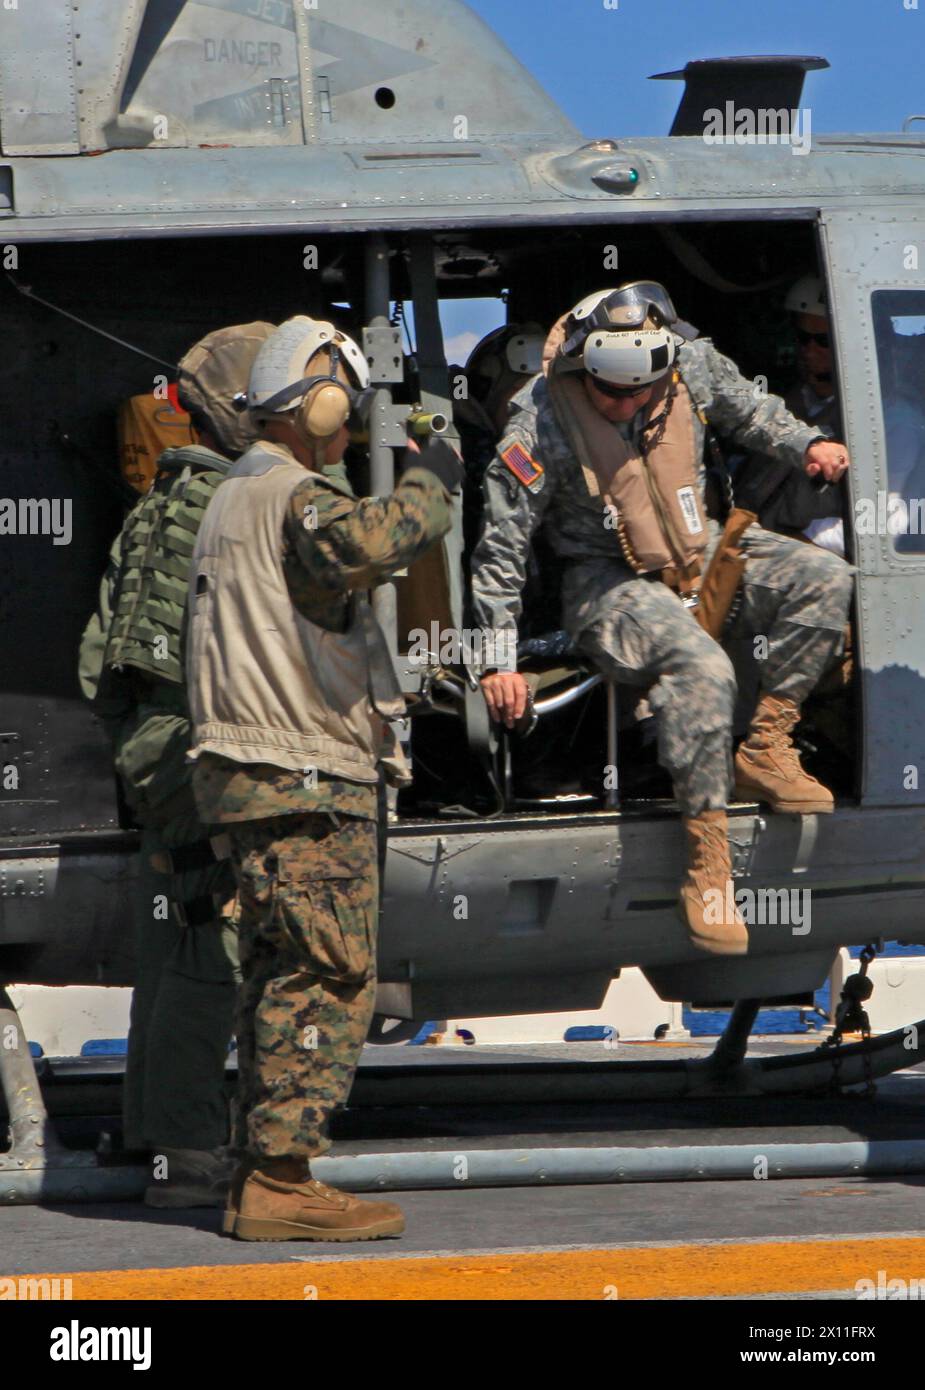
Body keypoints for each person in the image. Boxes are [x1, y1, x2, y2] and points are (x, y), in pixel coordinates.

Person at [470, 282, 853, 956]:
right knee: (699, 666)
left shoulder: (690, 366)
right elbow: (500, 545)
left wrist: (807, 445)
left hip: (697, 547)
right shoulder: (539, 422)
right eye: (611, 392)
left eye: (642, 391)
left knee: (823, 579)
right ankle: (708, 868)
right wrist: (496, 661)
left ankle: (765, 744)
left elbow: (750, 411)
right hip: (606, 583)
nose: (627, 404)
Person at [185, 315, 457, 1241]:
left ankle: (256, 1173)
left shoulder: (234, 491)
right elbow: (361, 545)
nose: (348, 432)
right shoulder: (293, 494)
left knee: (276, 972)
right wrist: (432, 482)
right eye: (345, 410)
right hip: (300, 774)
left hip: (246, 773)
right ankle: (279, 1182)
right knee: (326, 973)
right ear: (318, 403)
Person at [79, 322, 275, 1206]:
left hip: (153, 750)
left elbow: (100, 661)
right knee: (214, 945)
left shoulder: (159, 502)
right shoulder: (223, 508)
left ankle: (157, 1133)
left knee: (173, 939)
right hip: (193, 749)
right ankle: (189, 1154)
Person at [736, 273, 846, 554]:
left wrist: (803, 548)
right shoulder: (781, 408)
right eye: (803, 338)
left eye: (822, 340)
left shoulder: (886, 421)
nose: (809, 351)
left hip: (808, 558)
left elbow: (889, 520)